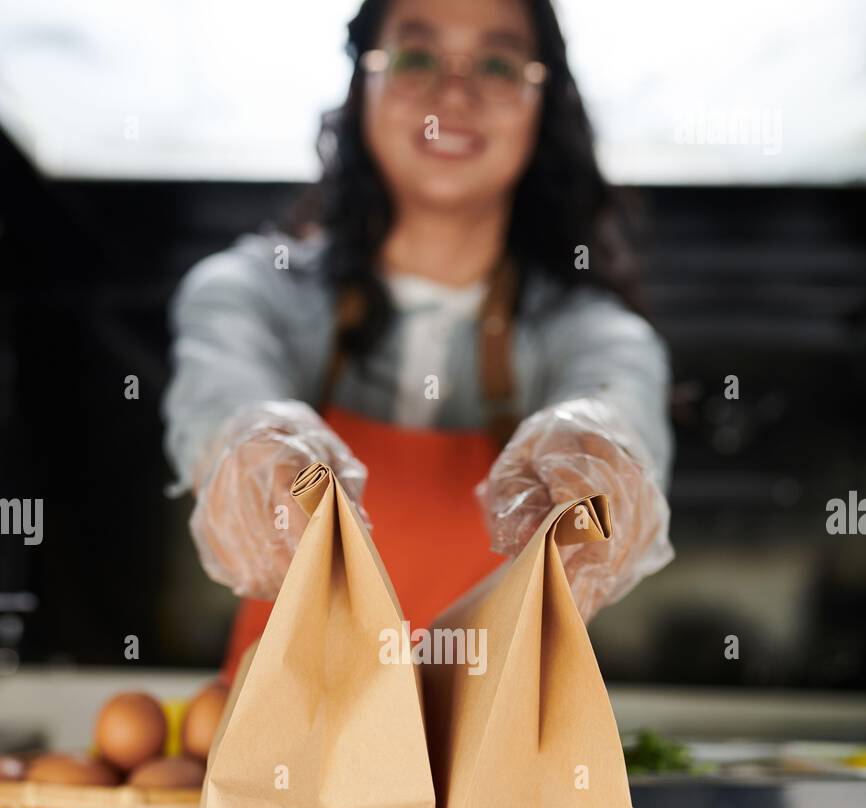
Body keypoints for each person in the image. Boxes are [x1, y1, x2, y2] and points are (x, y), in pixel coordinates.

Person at [163, 0, 674, 679]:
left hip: (494, 768)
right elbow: (220, 396)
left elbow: (620, 398)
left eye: (496, 63)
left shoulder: (590, 333)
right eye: (415, 57)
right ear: (361, 87)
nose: (454, 94)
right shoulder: (255, 292)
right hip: (286, 764)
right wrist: (251, 445)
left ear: (540, 102)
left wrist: (598, 455)